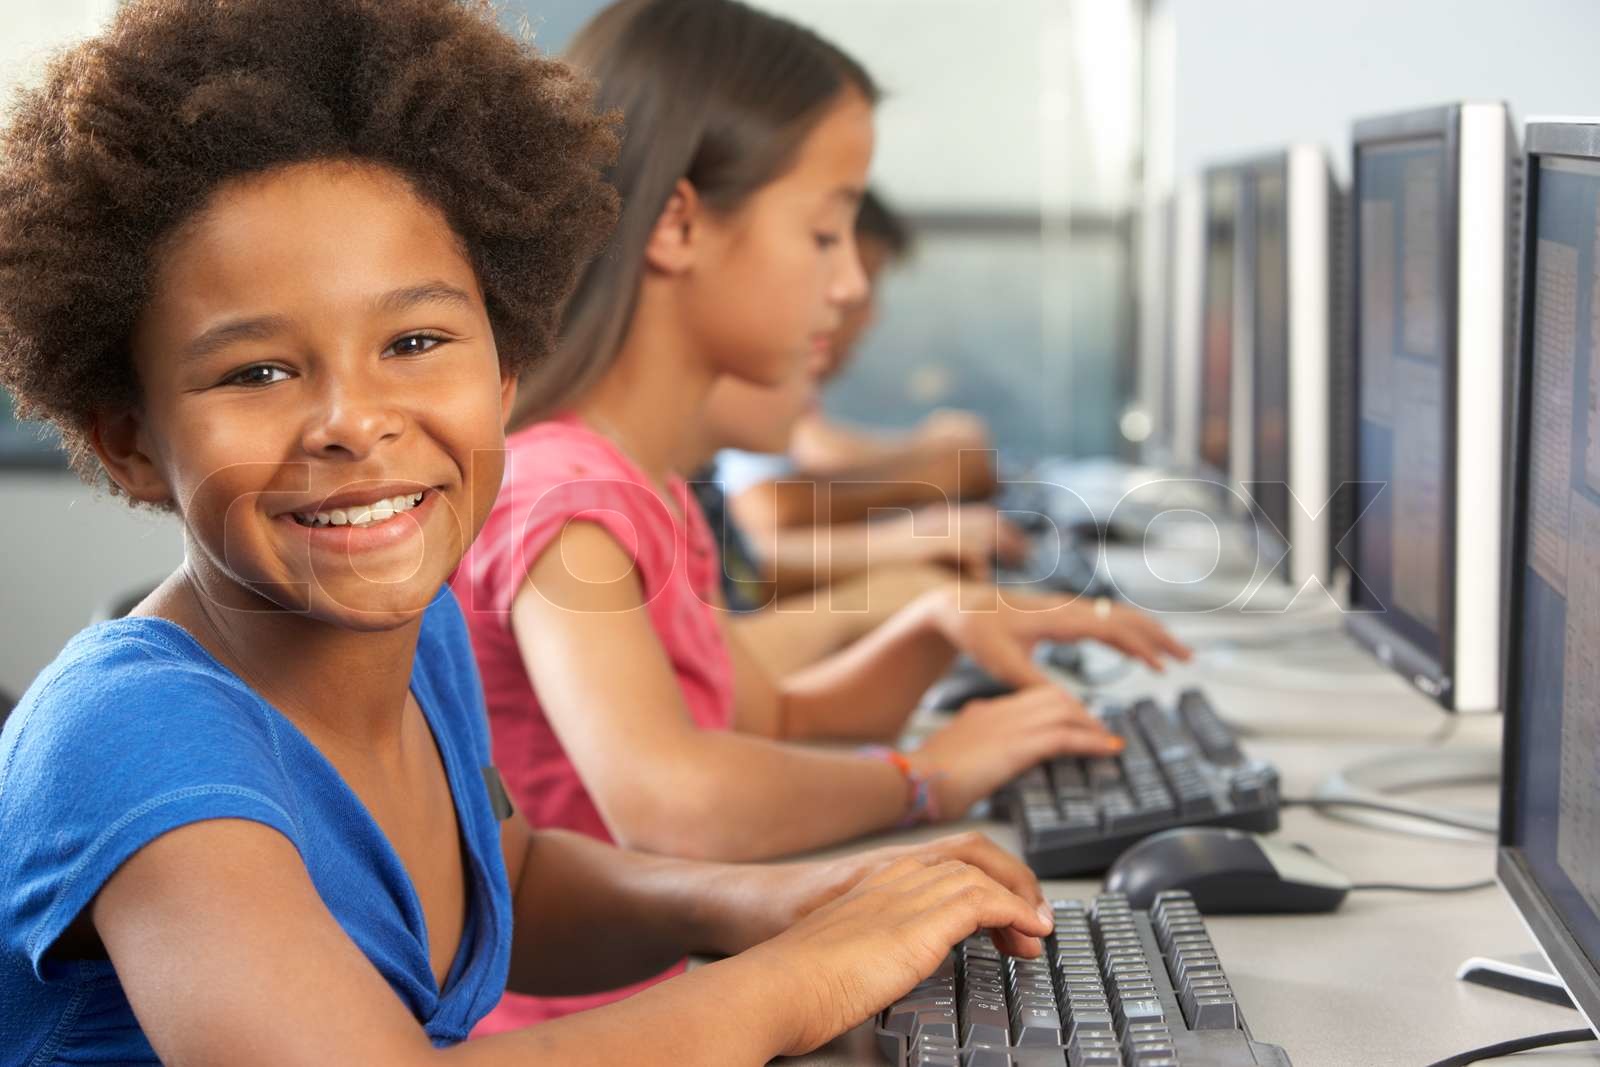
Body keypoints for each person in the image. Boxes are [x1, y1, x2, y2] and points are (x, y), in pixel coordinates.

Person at [0, 1, 1065, 1061]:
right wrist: (801, 977)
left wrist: (780, 900)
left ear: (507, 372)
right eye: (258, 370)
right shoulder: (132, 740)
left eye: (415, 339)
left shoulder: (418, 635)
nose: (354, 422)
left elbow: (511, 880)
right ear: (129, 438)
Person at [454, 0, 1190, 1031]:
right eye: (823, 230)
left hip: (684, 994)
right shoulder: (562, 492)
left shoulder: (647, 485)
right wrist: (925, 779)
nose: (847, 283)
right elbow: (670, 797)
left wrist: (930, 627)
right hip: (605, 1028)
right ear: (677, 223)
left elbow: (774, 716)